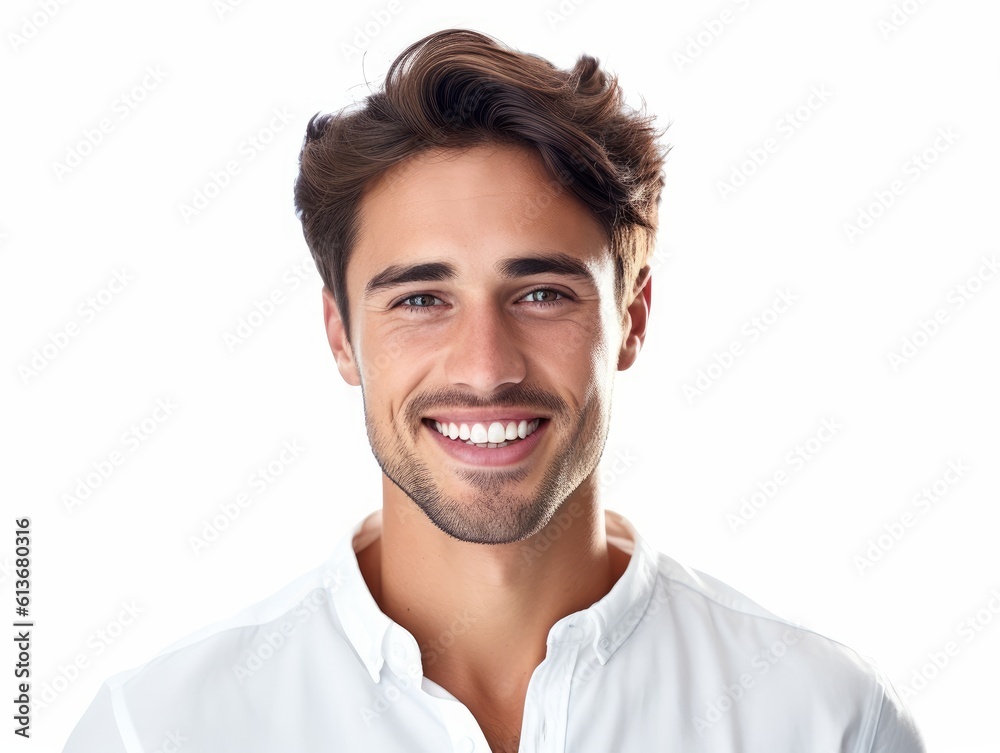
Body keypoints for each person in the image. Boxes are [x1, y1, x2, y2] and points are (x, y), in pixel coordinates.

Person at [64, 28, 925, 753]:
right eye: (422, 299)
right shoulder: (157, 730)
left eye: (543, 292)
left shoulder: (828, 721)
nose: (485, 367)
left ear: (632, 316)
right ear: (341, 335)